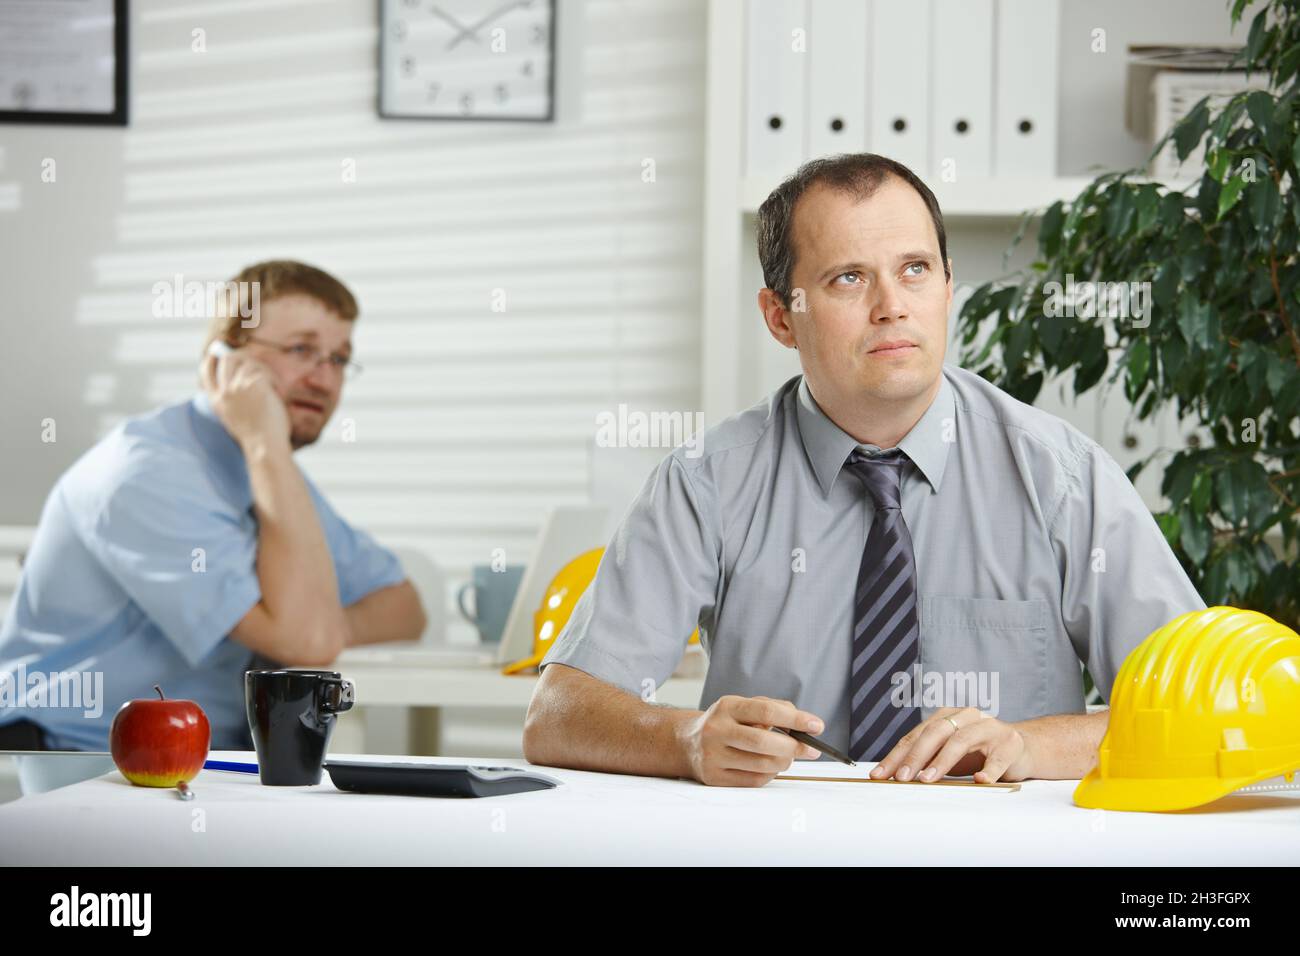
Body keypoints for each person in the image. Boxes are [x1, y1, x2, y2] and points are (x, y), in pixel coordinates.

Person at [523, 153, 1205, 787]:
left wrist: (1031, 747)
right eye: (848, 278)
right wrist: (687, 739)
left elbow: (1204, 711)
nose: (892, 305)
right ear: (780, 318)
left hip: (995, 850)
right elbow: (555, 715)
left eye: (915, 269)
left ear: (947, 287)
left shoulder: (1063, 478)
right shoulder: (706, 483)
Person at [0, 260, 426, 752]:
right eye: (301, 350)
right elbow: (309, 643)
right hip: (83, 754)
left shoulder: (267, 472)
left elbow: (403, 606)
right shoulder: (147, 474)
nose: (325, 380)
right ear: (225, 359)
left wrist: (330, 626)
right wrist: (265, 443)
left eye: (339, 359)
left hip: (210, 759)